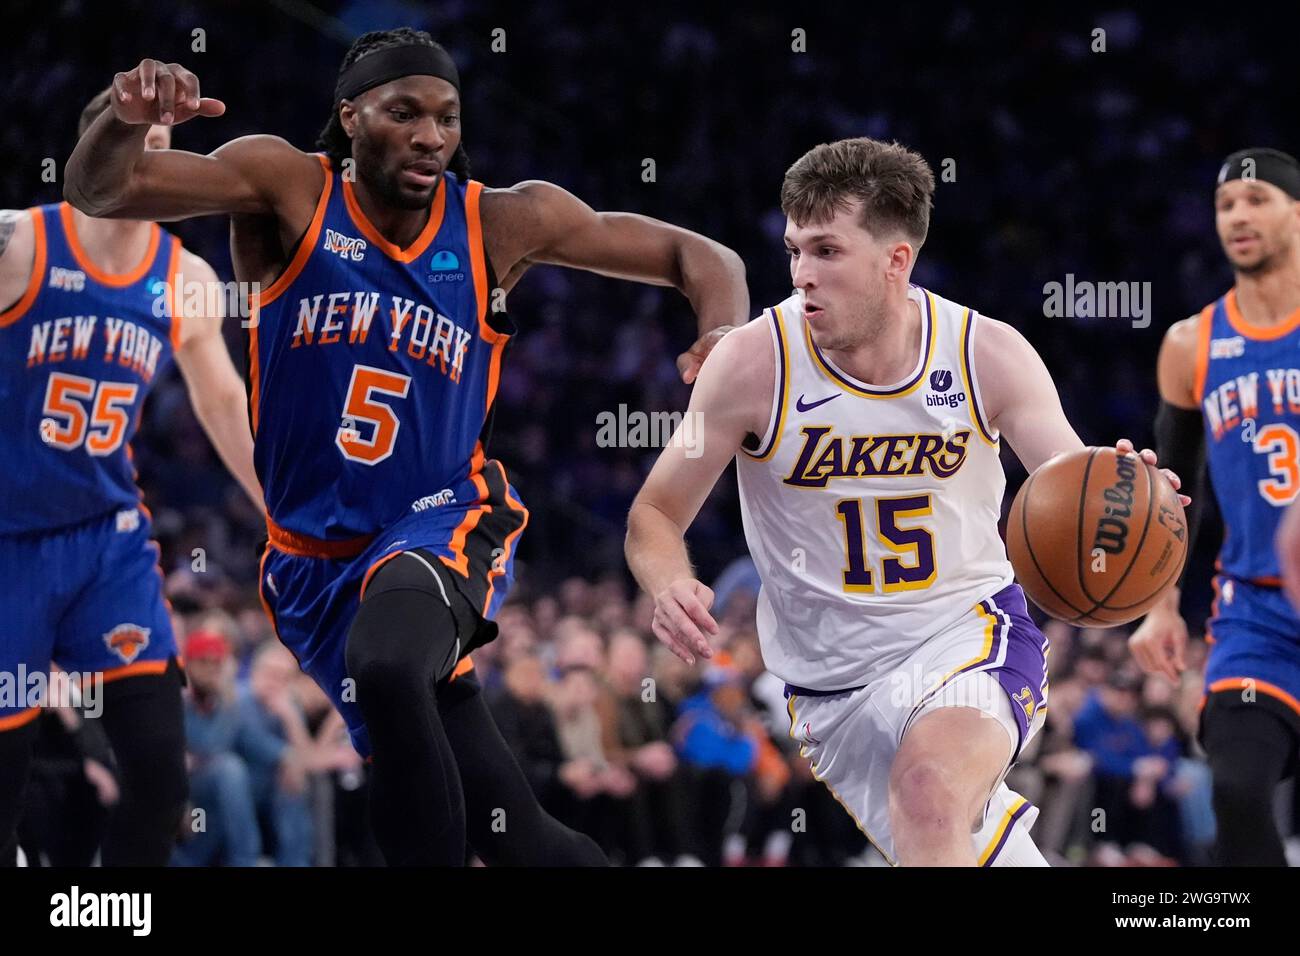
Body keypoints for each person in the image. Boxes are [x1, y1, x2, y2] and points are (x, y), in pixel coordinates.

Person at [66, 27, 748, 865]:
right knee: (519, 832)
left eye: (448, 118)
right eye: (405, 113)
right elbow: (103, 188)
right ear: (350, 117)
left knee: (389, 664)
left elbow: (700, 254)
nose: (431, 136)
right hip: (312, 565)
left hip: (443, 518)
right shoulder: (285, 186)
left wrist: (721, 333)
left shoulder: (500, 221)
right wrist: (125, 119)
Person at [625, 137, 1187, 866]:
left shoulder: (987, 352)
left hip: (968, 638)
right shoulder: (751, 363)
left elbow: (1073, 484)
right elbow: (654, 514)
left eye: (827, 252)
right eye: (794, 250)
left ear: (897, 260)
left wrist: (1135, 497)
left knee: (928, 789)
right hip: (831, 690)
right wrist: (669, 583)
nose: (801, 275)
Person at [0, 88, 259, 867]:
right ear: (99, 157)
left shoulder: (188, 278)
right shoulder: (16, 244)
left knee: (158, 779)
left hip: (107, 544)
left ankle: (105, 919)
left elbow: (224, 404)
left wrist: (295, 524)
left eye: (169, 151)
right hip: (7, 547)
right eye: (148, 148)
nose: (167, 167)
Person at [1133, 147, 1300, 865]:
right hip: (1256, 612)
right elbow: (1175, 486)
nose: (1238, 215)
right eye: (1227, 204)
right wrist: (1161, 604)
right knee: (1235, 788)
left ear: (1296, 213)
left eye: (1258, 199)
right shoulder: (1189, 343)